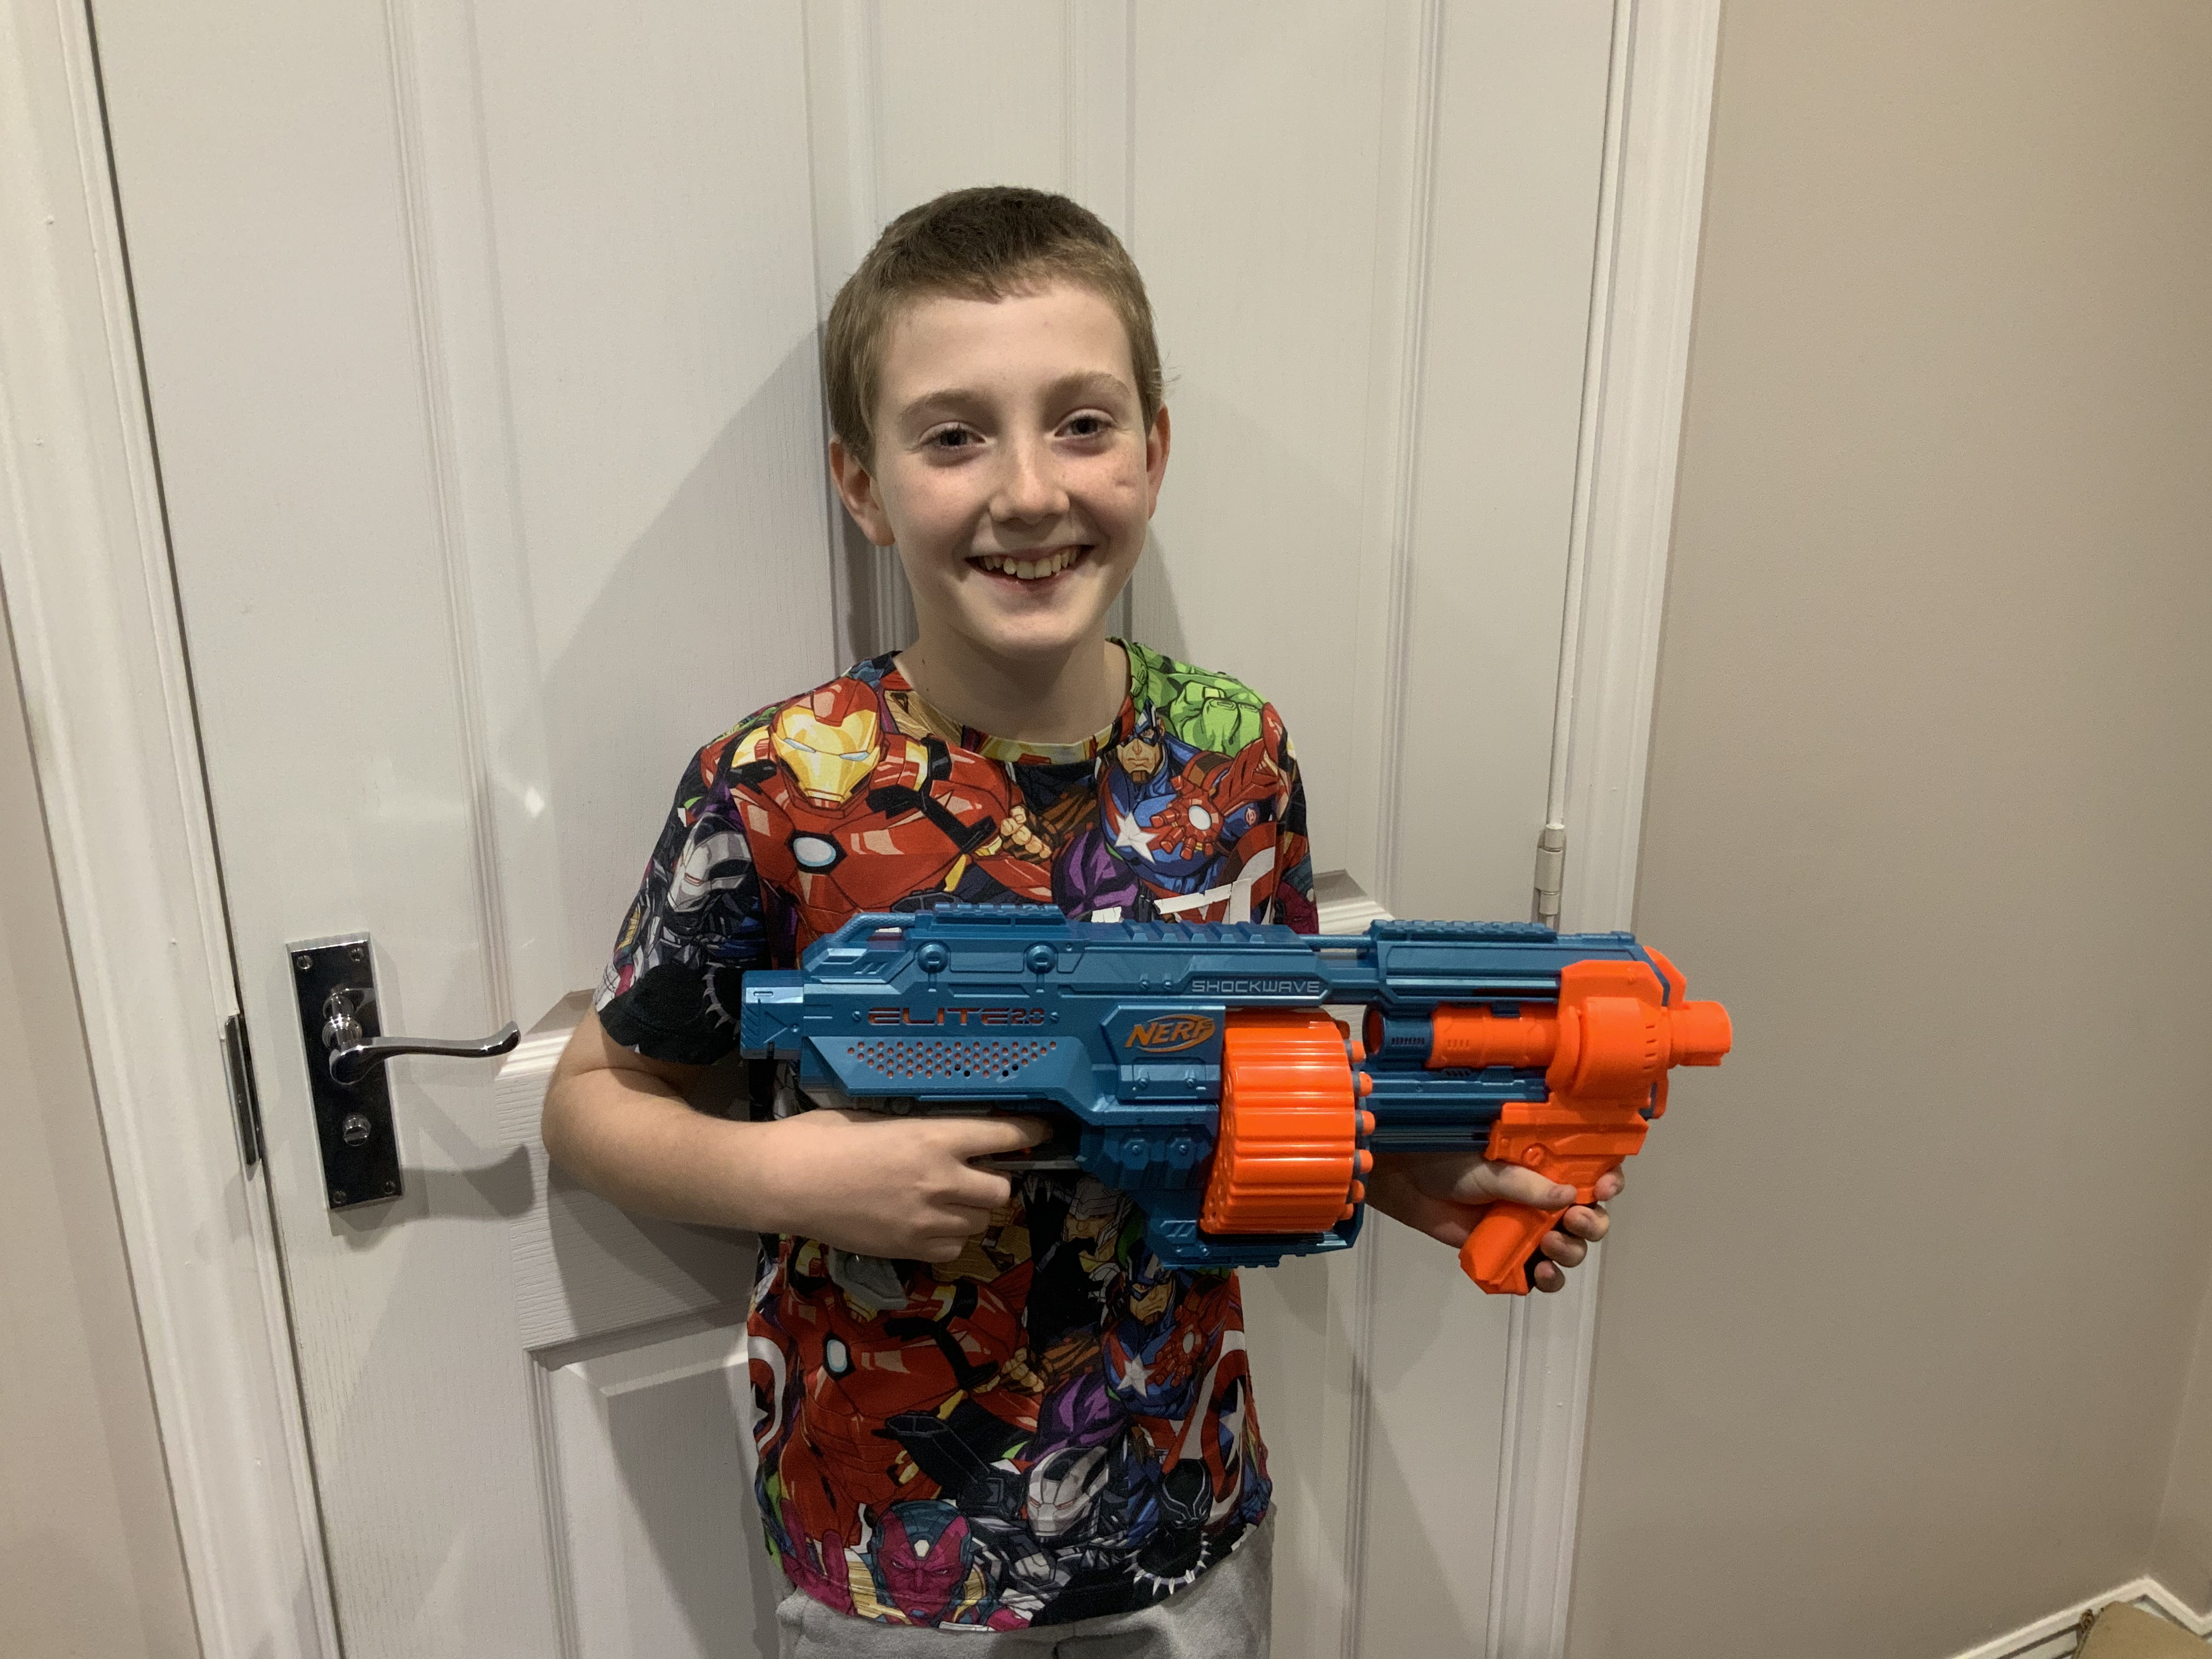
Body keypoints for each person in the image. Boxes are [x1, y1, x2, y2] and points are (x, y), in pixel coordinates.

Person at [540, 185, 1620, 1657]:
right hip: (886, 1546)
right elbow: (596, 1099)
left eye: (1083, 423)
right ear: (863, 485)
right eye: (954, 435)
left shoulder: (1236, 755)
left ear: (1154, 452)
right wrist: (791, 1173)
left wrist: (1398, 1166)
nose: (1031, 491)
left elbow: (1265, 1056)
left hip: (1178, 1509)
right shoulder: (780, 784)